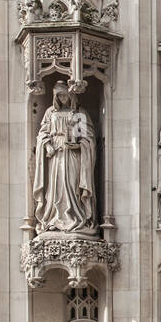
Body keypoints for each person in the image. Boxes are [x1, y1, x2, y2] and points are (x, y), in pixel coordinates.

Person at [33, 83, 97, 235]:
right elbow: (42, 133)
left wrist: (80, 145)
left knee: (72, 184)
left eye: (64, 95)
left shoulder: (79, 113)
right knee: (55, 186)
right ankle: (54, 217)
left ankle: (75, 216)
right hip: (55, 155)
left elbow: (87, 136)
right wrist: (47, 145)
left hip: (73, 154)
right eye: (59, 96)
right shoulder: (50, 112)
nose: (62, 99)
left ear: (71, 95)